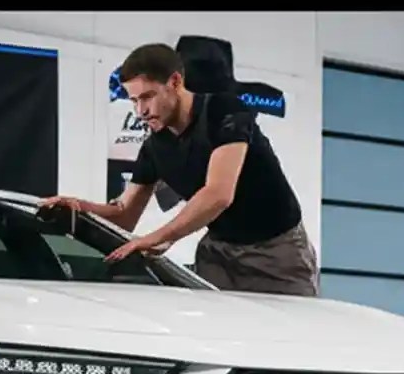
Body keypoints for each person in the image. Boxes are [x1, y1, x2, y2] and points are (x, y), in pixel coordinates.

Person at [40, 43, 319, 296]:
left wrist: (159, 238)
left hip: (277, 252)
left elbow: (219, 194)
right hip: (219, 253)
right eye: (134, 100)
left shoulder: (224, 110)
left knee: (294, 331)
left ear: (175, 82)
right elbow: (124, 215)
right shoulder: (154, 147)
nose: (140, 111)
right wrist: (80, 207)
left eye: (147, 97)